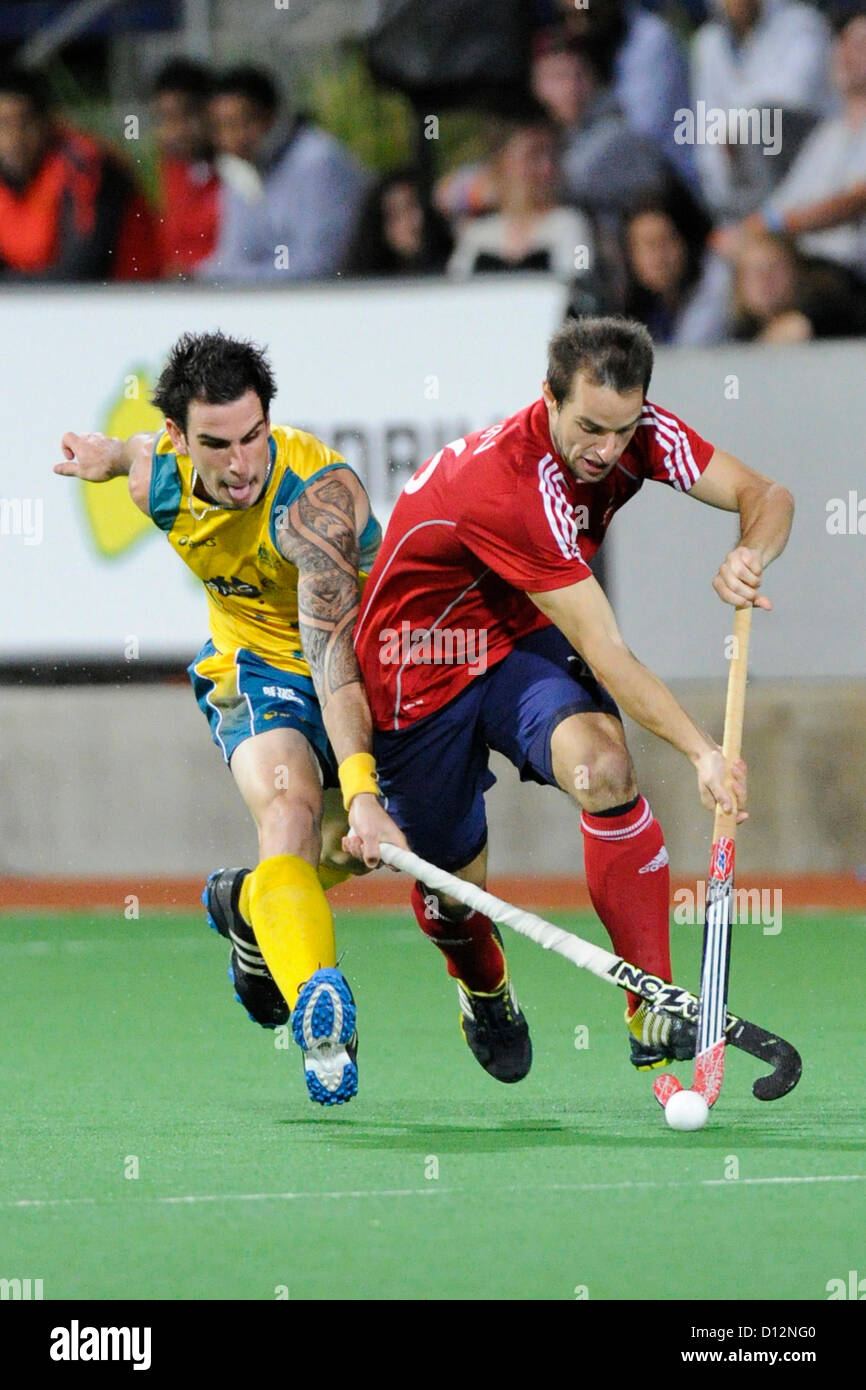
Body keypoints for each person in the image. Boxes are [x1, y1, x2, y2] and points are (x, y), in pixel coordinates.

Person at [351, 316, 793, 1086]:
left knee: (605, 769)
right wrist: (702, 752)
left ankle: (651, 1002)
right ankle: (484, 988)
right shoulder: (510, 486)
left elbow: (767, 492)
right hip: (416, 669)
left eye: (622, 431)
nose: (605, 451)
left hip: (516, 638)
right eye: (589, 427)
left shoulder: (638, 429)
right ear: (548, 400)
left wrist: (750, 553)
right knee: (454, 894)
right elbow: (607, 651)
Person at [54, 332, 406, 1106]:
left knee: (352, 844)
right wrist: (103, 453)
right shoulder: (164, 483)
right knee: (289, 809)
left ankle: (250, 903)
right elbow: (132, 453)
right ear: (181, 440)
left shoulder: (317, 499)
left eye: (254, 437)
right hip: (258, 673)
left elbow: (336, 659)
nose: (241, 464)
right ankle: (323, 1018)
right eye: (217, 444)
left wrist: (366, 787)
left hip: (359, 660)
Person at [199, 65, 366, 282]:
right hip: (271, 300)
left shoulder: (318, 163)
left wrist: (234, 277)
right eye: (222, 127)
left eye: (242, 123)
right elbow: (235, 255)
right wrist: (194, 277)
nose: (232, 139)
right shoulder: (241, 170)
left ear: (273, 117)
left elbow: (318, 265)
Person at [0, 65, 156, 281]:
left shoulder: (85, 166)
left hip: (136, 297)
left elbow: (82, 272)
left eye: (25, 123)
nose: (14, 138)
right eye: (3, 124)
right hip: (44, 300)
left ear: (48, 123)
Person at [691, 0, 835, 220]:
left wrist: (732, 127)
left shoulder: (803, 24)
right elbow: (707, 129)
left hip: (804, 170)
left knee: (761, 123)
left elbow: (793, 98)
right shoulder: (708, 43)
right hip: (740, 189)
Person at [447, 109, 596, 284]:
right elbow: (455, 288)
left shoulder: (572, 225)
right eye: (533, 156)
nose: (546, 168)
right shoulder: (477, 235)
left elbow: (580, 278)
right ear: (503, 163)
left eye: (552, 156)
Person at [150, 59, 221, 278]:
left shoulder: (238, 173)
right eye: (166, 119)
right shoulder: (173, 168)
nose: (174, 132)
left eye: (184, 117)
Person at [342, 168, 454, 277]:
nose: (411, 221)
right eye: (395, 215)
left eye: (414, 205)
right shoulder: (371, 288)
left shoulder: (462, 260)